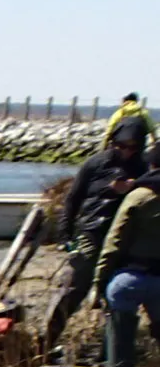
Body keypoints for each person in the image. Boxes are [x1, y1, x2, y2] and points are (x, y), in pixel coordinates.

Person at [46, 118, 151, 347]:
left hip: (124, 239)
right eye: (122, 146)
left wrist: (133, 186)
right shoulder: (96, 163)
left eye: (133, 147)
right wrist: (64, 235)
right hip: (91, 231)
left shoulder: (143, 167)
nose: (126, 152)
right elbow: (72, 199)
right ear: (113, 142)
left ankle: (109, 351)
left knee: (114, 294)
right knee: (74, 288)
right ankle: (46, 342)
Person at [92, 164, 160, 367]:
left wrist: (99, 283)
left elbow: (114, 243)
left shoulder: (139, 196)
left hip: (131, 277)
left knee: (120, 329)